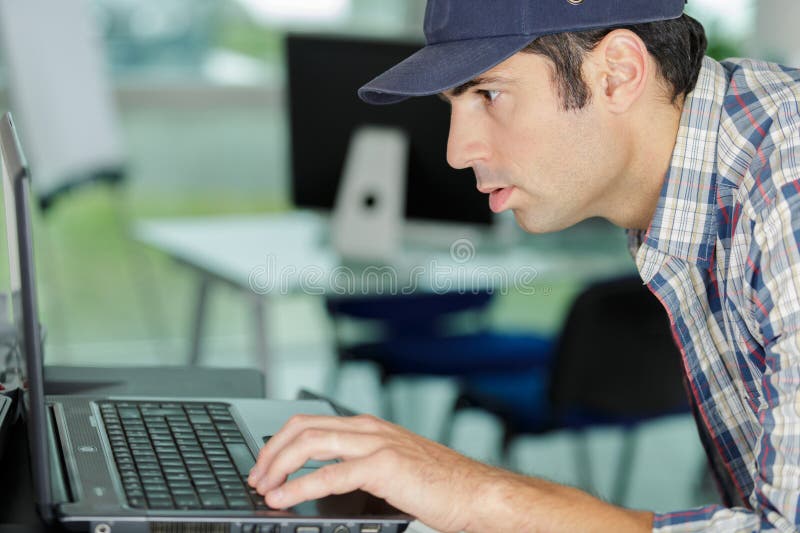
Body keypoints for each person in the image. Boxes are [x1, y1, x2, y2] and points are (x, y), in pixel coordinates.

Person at [248, 0, 800, 531]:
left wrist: (478, 498)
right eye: (452, 104)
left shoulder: (787, 186)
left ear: (618, 74)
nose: (457, 151)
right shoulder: (693, 184)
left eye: (490, 93)